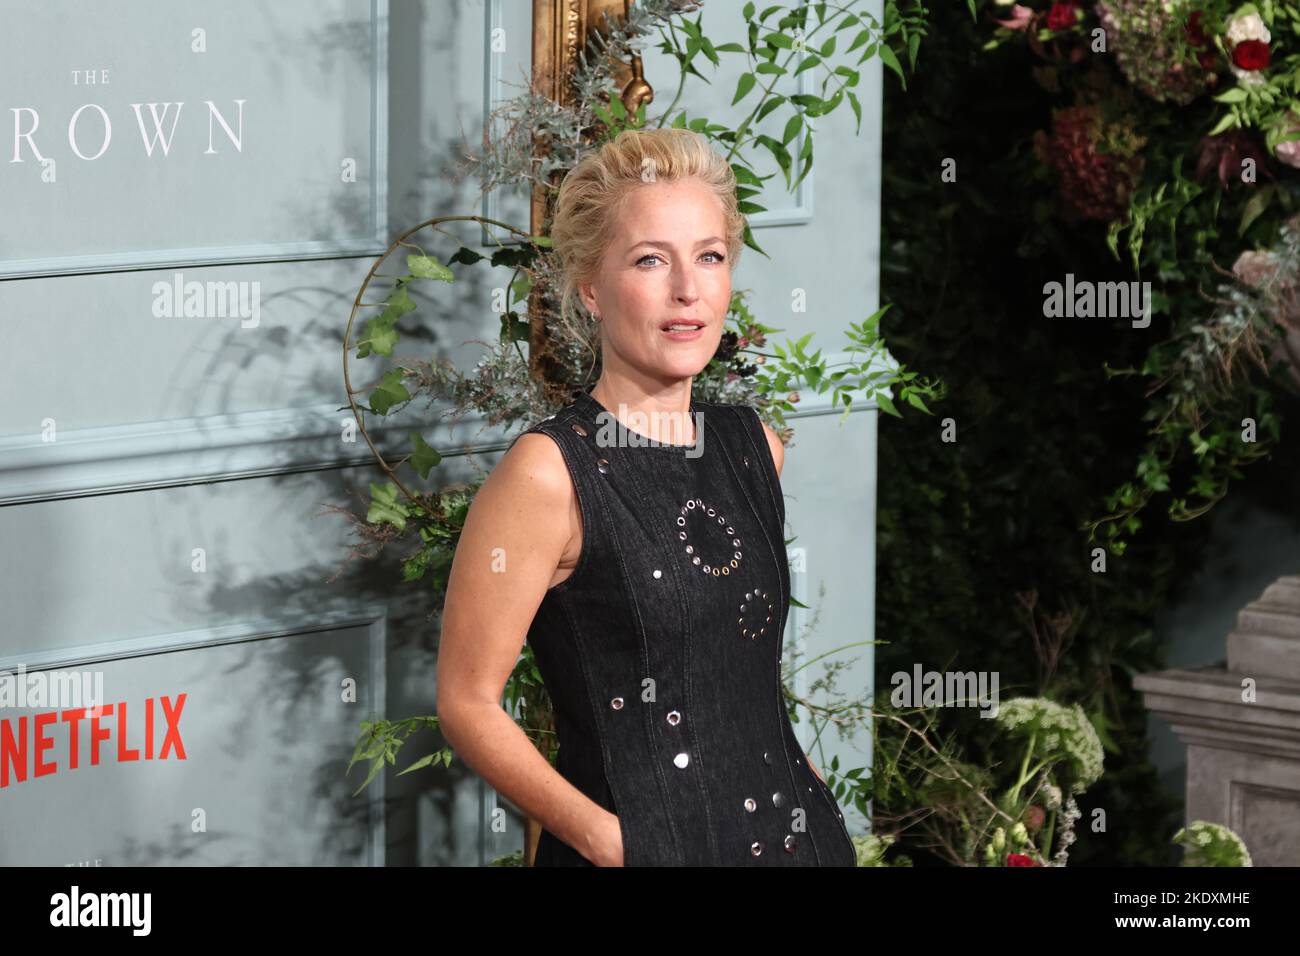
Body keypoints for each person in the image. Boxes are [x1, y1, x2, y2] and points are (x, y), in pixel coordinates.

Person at [435, 127, 856, 866]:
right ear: (591, 289)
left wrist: (808, 791)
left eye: (710, 257)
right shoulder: (548, 473)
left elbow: (736, 673)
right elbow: (466, 701)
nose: (687, 289)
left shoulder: (754, 448)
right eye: (650, 259)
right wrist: (608, 840)